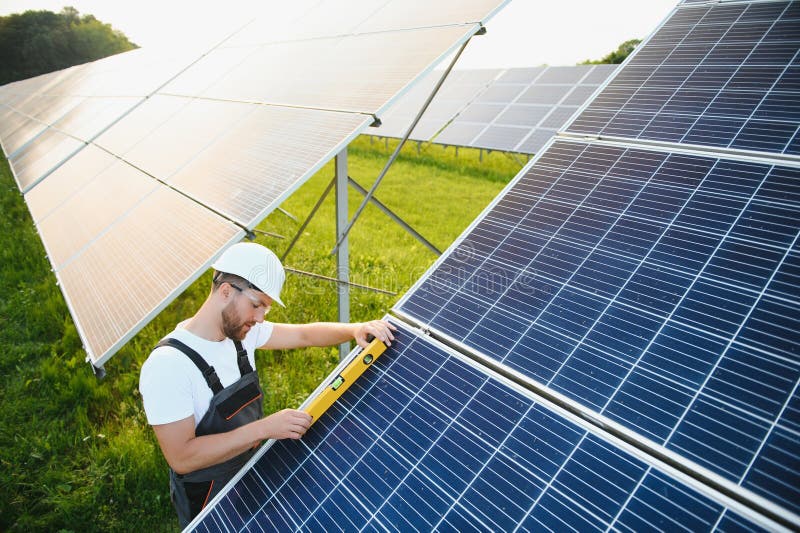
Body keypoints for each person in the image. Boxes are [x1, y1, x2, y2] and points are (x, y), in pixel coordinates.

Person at [139, 242, 395, 527]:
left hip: (249, 473)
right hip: (208, 497)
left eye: (266, 309)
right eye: (257, 305)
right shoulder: (168, 367)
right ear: (225, 291)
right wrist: (264, 429)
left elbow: (303, 336)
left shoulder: (241, 334)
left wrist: (354, 330)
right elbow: (182, 458)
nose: (260, 318)